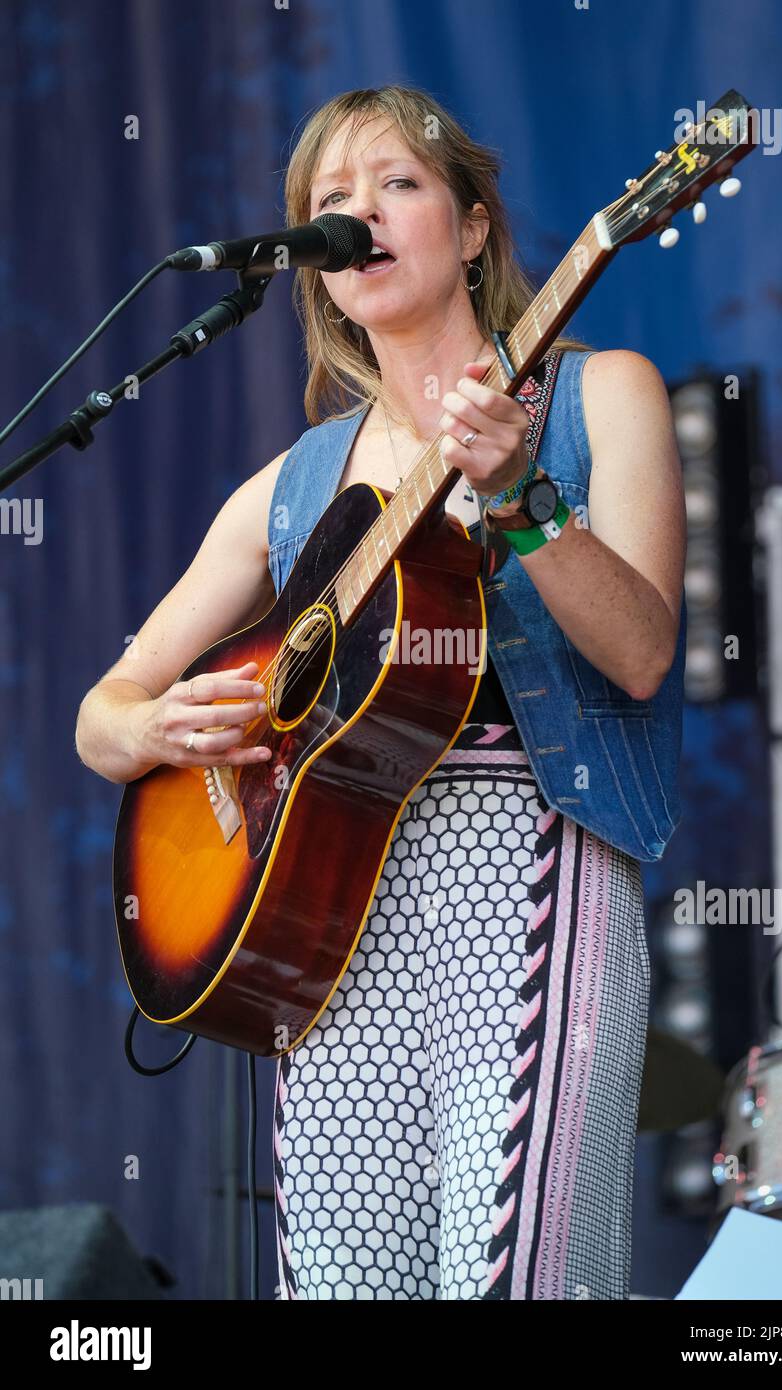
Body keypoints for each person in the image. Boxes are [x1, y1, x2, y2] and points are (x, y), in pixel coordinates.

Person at [76, 84, 686, 1301]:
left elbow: (639, 653)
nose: (357, 216)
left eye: (394, 185)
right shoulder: (290, 486)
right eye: (327, 204)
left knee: (523, 1281)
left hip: (527, 866)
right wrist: (153, 723)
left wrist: (522, 501)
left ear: (469, 228)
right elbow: (107, 710)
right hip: (325, 912)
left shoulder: (593, 394)